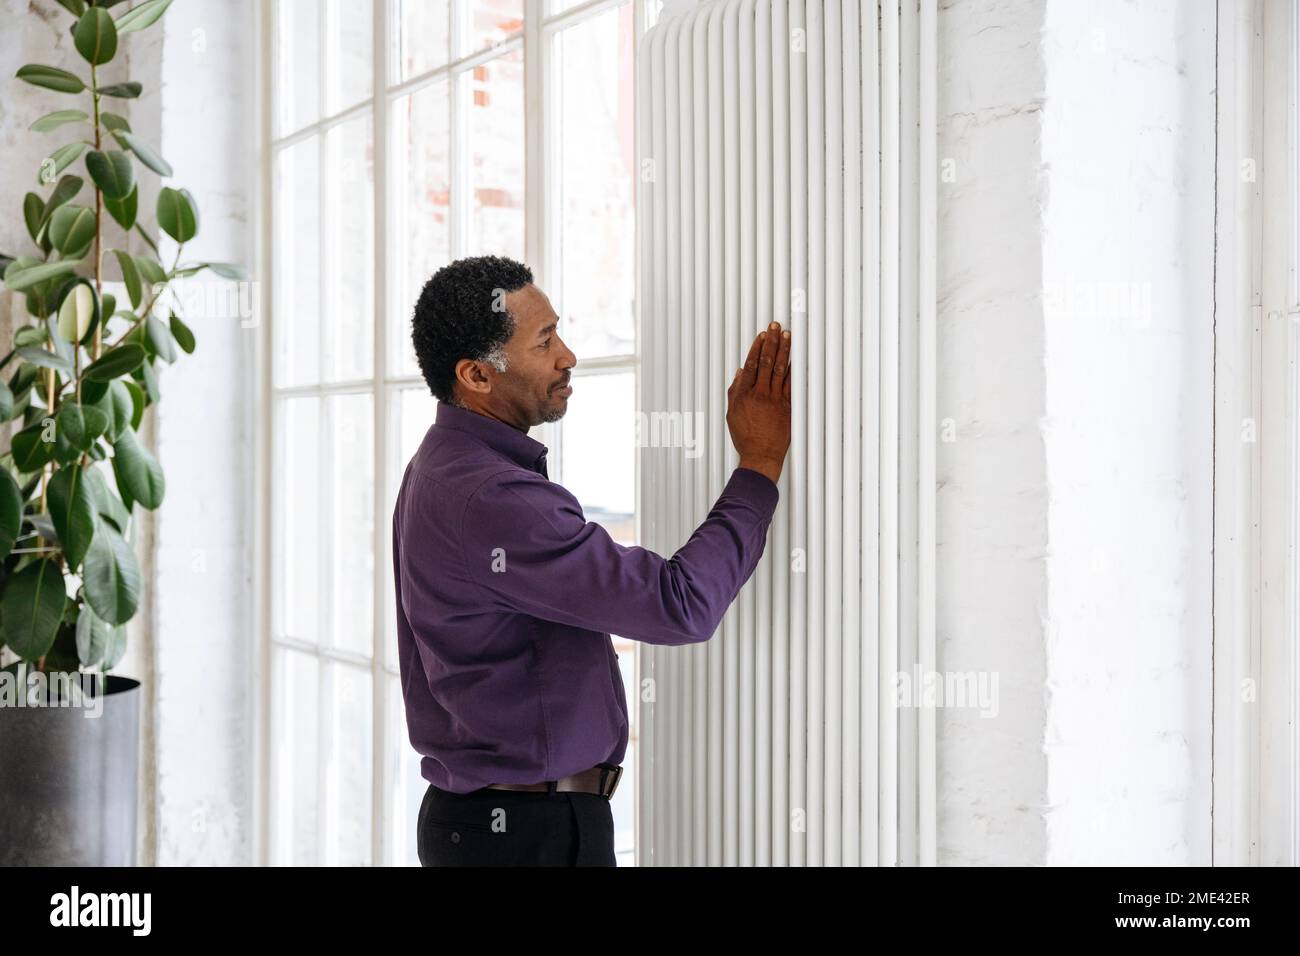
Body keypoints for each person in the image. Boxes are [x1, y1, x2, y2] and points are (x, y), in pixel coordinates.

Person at [393, 254, 793, 866]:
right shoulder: (494, 499)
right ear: (477, 375)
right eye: (545, 341)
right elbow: (678, 605)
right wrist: (759, 463)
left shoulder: (440, 464)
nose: (568, 356)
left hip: (494, 827)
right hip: (527, 839)